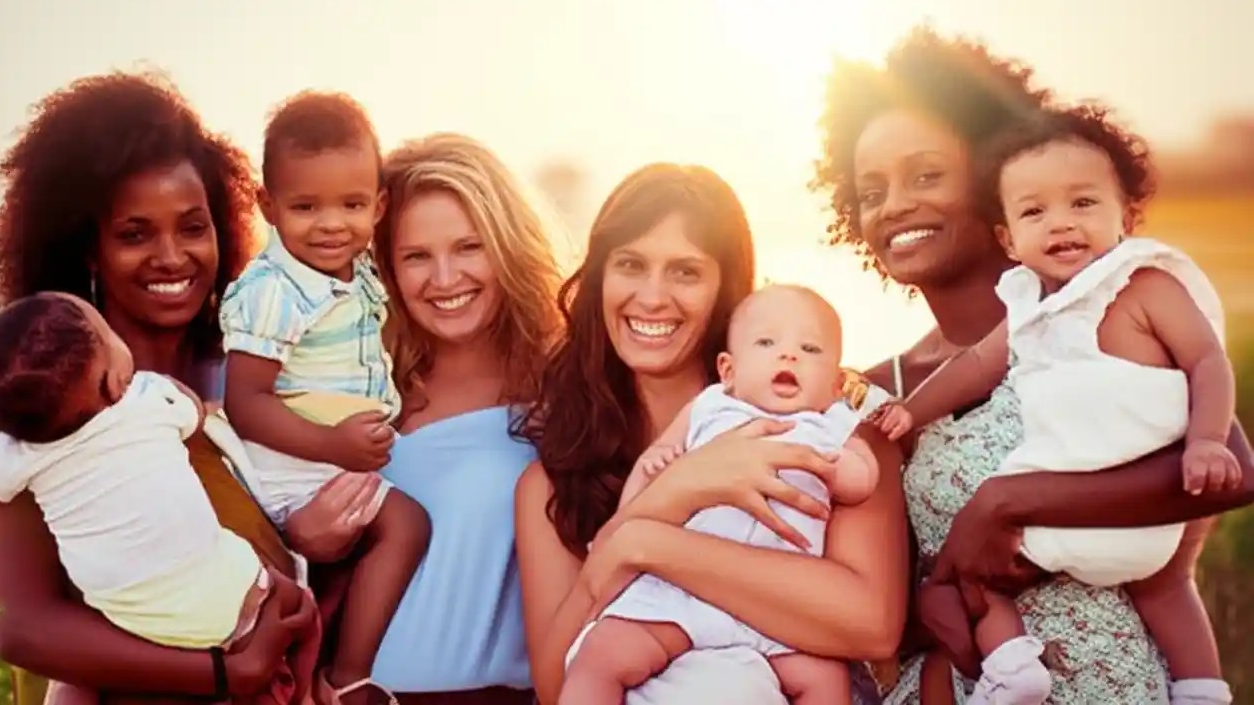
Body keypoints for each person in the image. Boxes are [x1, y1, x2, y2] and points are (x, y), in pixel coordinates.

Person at [810, 27, 1254, 704]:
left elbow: (1232, 471)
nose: (896, 204)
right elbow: (880, 600)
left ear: (993, 178)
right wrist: (923, 611)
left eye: (926, 174)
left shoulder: (1097, 315)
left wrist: (1004, 502)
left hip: (1115, 679)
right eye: (871, 191)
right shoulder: (884, 389)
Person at [0, 71, 320, 704]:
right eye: (135, 234)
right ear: (88, 250)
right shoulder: (37, 408)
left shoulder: (252, 378)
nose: (171, 257)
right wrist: (222, 673)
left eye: (193, 227)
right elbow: (23, 628)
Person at [516, 163, 909, 705]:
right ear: (600, 278)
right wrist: (679, 491)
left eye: (685, 272)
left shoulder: (828, 420)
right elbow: (558, 681)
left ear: (726, 290)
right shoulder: (553, 479)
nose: (652, 297)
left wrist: (643, 543)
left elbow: (871, 624)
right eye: (630, 263)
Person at [0, 294, 315, 701]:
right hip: (230, 605)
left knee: (75, 685)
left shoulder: (17, 452)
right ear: (115, 382)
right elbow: (194, 414)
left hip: (128, 623)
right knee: (301, 606)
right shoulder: (148, 398)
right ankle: (316, 689)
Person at [561, 284, 884, 705]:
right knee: (601, 654)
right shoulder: (711, 406)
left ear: (837, 383)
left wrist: (833, 464)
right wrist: (659, 470)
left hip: (780, 611)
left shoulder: (831, 424)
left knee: (827, 681)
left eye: (810, 348)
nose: (788, 356)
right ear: (729, 370)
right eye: (766, 343)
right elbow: (652, 464)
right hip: (686, 596)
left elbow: (863, 481)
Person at [220, 91, 431, 704]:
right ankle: (346, 679)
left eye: (353, 204)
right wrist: (332, 444)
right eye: (306, 206)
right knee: (406, 525)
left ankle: (323, 671)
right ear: (268, 206)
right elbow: (246, 401)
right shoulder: (272, 291)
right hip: (293, 465)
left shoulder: (355, 269)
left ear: (379, 205)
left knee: (366, 552)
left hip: (325, 457)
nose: (332, 223)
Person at [358, 133, 562, 704]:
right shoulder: (361, 385)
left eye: (468, 247)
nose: (445, 279)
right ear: (387, 270)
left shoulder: (564, 390)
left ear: (506, 246)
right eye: (416, 256)